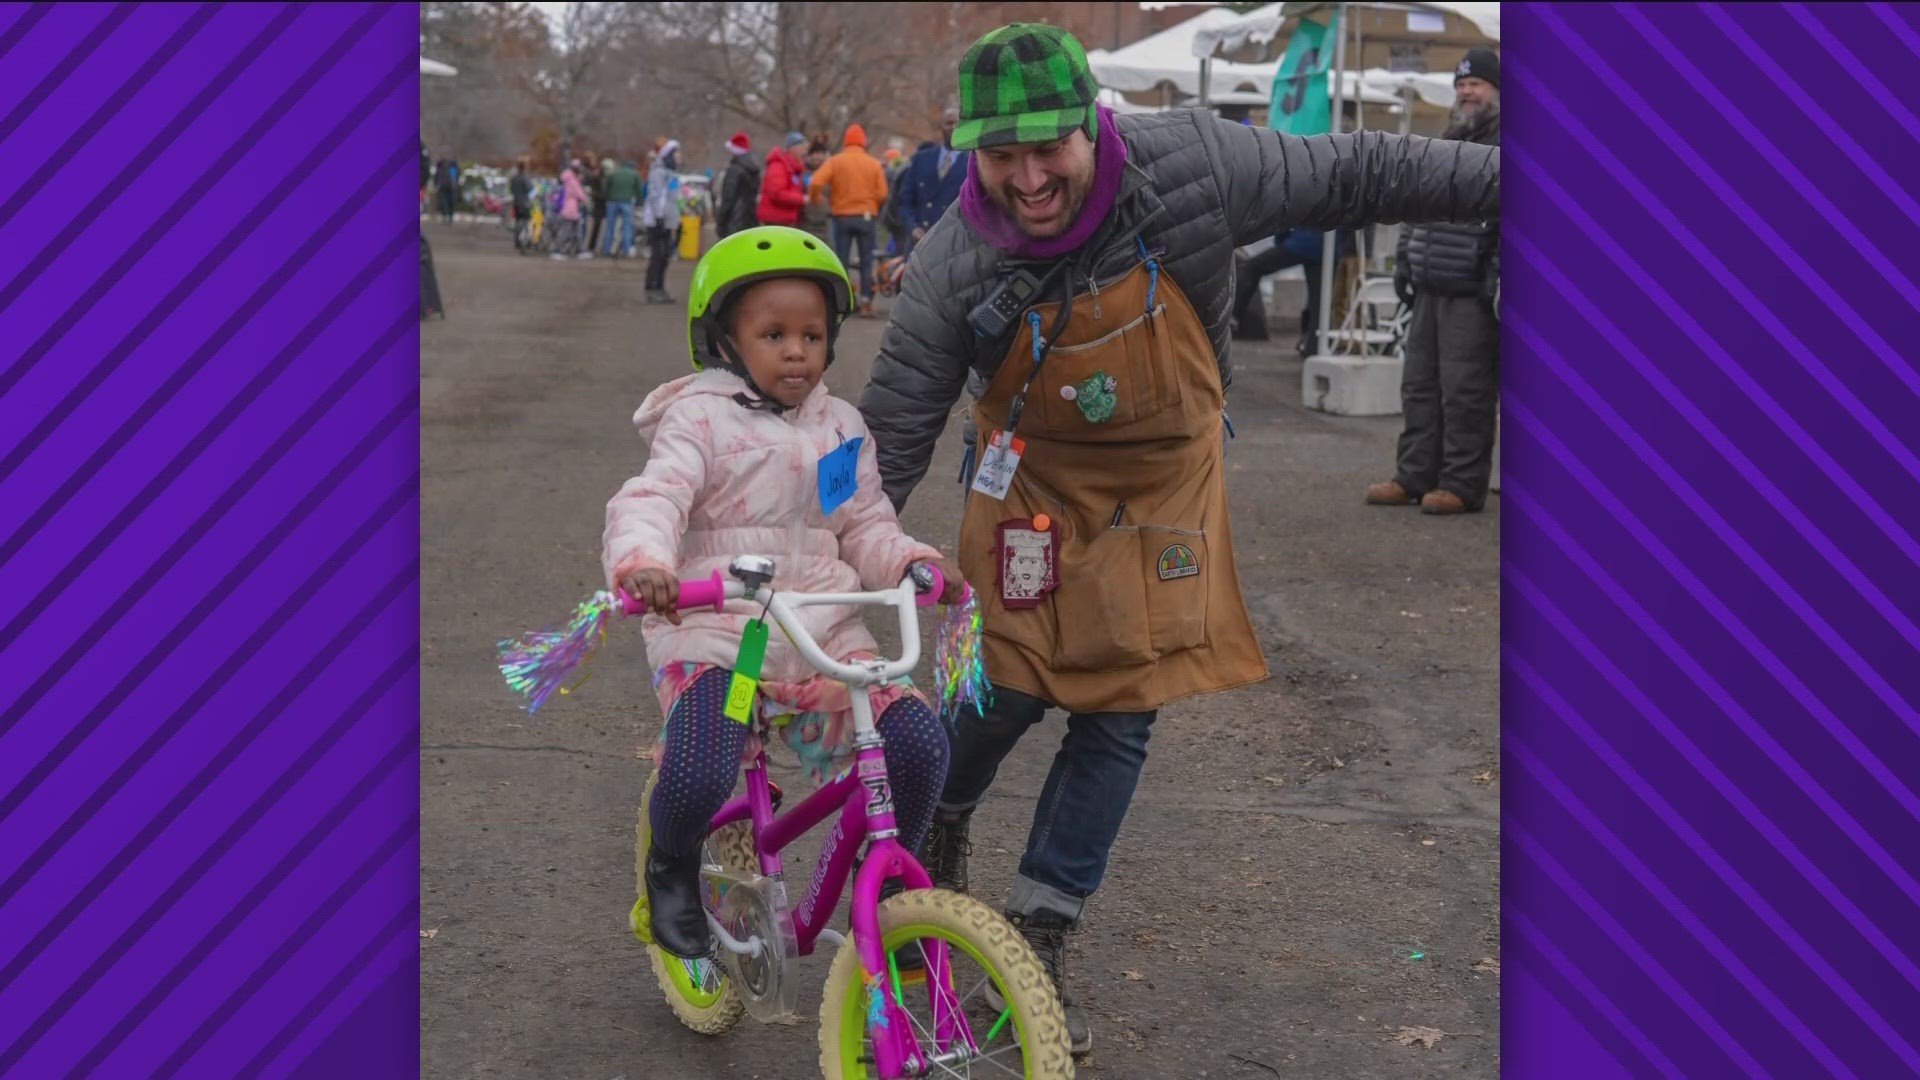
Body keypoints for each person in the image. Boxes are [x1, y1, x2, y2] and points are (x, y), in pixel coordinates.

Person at [857, 24, 1499, 1054]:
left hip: (1164, 487)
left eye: (1048, 148)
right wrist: (830, 570)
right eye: (1001, 156)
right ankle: (943, 814)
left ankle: (1041, 930)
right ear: (971, 152)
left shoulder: (1195, 163)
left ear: (1090, 124)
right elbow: (890, 434)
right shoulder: (956, 261)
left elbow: (1365, 167)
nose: (1028, 178)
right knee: (1005, 687)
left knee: (1122, 712)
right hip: (1031, 483)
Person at [603, 225, 968, 960]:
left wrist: (909, 563)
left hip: (822, 633)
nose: (796, 350)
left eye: (812, 334)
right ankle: (671, 863)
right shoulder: (698, 418)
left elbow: (864, 521)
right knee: (703, 761)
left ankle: (886, 879)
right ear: (726, 340)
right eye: (773, 334)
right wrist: (646, 562)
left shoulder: (842, 427)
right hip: (720, 632)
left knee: (919, 743)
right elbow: (654, 496)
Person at [1367, 47, 1502, 515]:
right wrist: (1405, 258)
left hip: (1471, 288)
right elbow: (1418, 203)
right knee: (1420, 385)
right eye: (1462, 84)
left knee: (1465, 391)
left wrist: (1495, 277)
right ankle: (1414, 475)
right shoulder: (1450, 137)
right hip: (1430, 281)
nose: (1467, 91)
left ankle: (1462, 485)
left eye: (1477, 84)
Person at [806, 124, 888, 318]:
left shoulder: (835, 161)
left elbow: (816, 181)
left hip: (841, 217)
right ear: (863, 142)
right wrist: (871, 204)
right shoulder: (874, 163)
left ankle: (844, 301)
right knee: (866, 262)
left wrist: (816, 198)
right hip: (866, 217)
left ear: (846, 141)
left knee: (841, 260)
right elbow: (883, 193)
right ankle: (867, 302)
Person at [1232, 227, 1352, 355]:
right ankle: (1314, 351)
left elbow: (1288, 218)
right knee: (1320, 307)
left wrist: (1282, 242)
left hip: (1301, 244)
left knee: (1251, 267)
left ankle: (1233, 313)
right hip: (1329, 251)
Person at [895, 107, 969, 256]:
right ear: (941, 127)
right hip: (919, 246)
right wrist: (913, 227)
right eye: (948, 123)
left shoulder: (972, 162)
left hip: (955, 248)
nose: (953, 127)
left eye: (957, 123)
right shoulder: (921, 159)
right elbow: (905, 201)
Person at [641, 139, 682, 301]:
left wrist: (675, 220)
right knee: (658, 255)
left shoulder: (672, 174)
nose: (680, 157)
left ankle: (660, 287)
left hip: (667, 221)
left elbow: (673, 200)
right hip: (657, 221)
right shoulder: (659, 172)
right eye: (677, 153)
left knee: (665, 255)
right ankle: (652, 289)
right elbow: (656, 196)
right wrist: (659, 217)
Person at [715, 131, 761, 238]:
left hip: (733, 220)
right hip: (750, 220)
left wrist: (721, 222)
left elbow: (728, 198)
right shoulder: (754, 169)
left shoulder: (734, 170)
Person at [757, 131, 808, 228]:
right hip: (775, 220)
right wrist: (802, 199)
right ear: (792, 148)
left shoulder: (794, 168)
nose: (804, 152)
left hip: (786, 219)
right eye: (802, 148)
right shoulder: (778, 166)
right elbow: (777, 193)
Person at [601, 157, 640, 257]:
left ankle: (606, 249)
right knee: (627, 227)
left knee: (610, 226)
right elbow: (638, 191)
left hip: (612, 202)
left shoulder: (613, 173)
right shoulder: (635, 174)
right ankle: (626, 251)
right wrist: (639, 202)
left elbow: (605, 188)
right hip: (626, 202)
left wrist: (608, 198)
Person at [553, 158, 589, 261]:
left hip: (571, 208)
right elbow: (579, 194)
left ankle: (580, 250)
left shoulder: (568, 178)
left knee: (576, 231)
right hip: (570, 209)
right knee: (566, 231)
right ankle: (558, 251)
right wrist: (585, 199)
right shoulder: (572, 180)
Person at [586, 157, 610, 255]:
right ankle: (594, 246)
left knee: (597, 227)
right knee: (599, 227)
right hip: (600, 203)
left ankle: (593, 246)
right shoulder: (601, 178)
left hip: (598, 203)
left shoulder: (597, 177)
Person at [434, 156, 459, 224]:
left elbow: (456, 176)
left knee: (448, 202)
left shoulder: (449, 164)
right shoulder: (441, 164)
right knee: (446, 202)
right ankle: (447, 217)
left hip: (447, 186)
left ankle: (448, 217)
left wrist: (436, 184)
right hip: (447, 186)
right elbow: (437, 176)